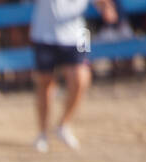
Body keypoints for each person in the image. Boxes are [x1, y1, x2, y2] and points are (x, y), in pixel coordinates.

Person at [29, 0, 118, 152]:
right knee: (45, 82)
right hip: (43, 33)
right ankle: (42, 132)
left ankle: (63, 124)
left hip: (78, 33)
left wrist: (106, 8)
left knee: (81, 79)